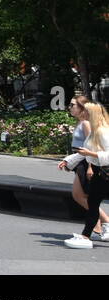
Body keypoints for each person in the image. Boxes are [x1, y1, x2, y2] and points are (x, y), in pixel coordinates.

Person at [59, 95, 109, 240]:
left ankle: (90, 233)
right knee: (93, 203)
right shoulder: (95, 132)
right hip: (100, 172)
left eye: (86, 112)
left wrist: (91, 158)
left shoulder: (103, 132)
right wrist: (68, 161)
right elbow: (83, 152)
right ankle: (86, 235)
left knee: (91, 202)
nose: (84, 114)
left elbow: (92, 153)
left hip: (104, 172)